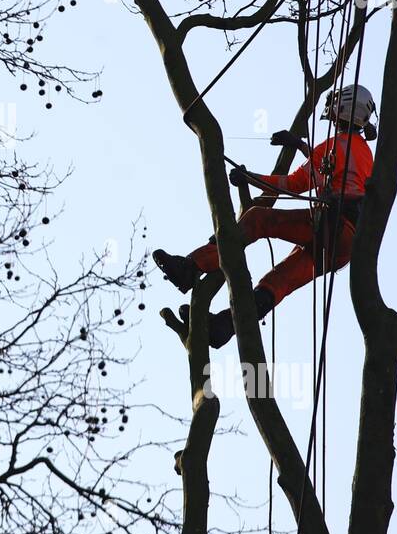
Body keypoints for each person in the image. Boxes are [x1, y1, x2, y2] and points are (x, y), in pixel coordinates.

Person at [154, 84, 378, 349]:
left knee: (258, 218)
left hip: (332, 224)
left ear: (344, 107)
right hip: (345, 246)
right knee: (278, 282)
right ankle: (224, 327)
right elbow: (333, 172)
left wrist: (250, 177)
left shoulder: (336, 145)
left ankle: (191, 267)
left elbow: (296, 184)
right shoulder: (363, 151)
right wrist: (301, 146)